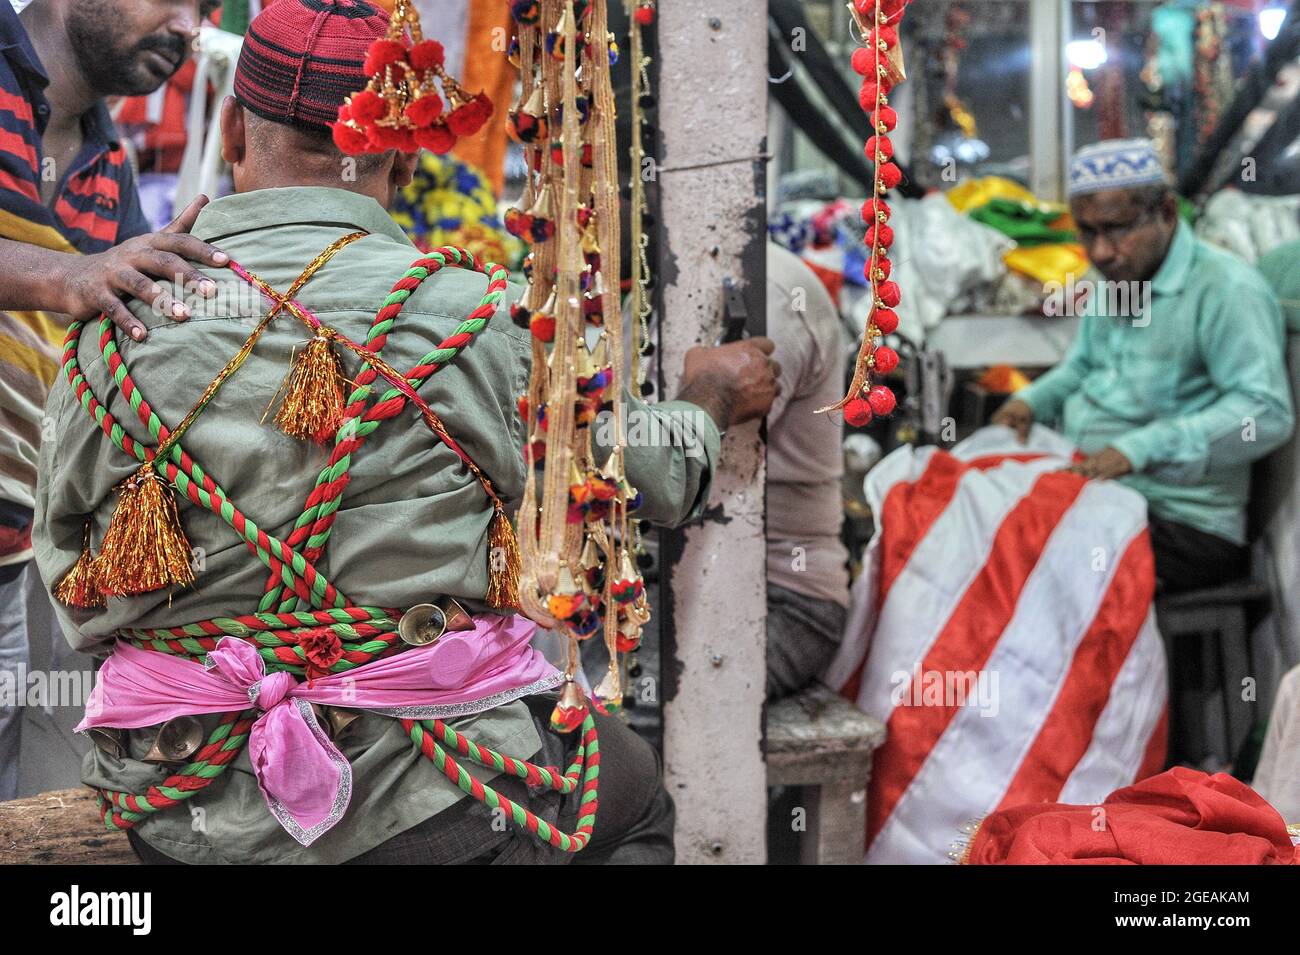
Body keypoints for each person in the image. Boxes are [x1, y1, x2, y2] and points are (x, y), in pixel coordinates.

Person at [33, 0, 778, 864]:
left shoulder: (111, 326)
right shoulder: (482, 317)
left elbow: (74, 589)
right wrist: (706, 398)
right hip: (431, 801)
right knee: (635, 786)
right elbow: (644, 477)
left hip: (183, 805)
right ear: (398, 150)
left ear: (232, 129)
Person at [0, 0, 227, 801]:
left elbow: (127, 345)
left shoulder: (110, 168)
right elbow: (78, 285)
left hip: (14, 548)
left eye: (205, 11)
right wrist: (67, 276)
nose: (190, 27)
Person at [992, 139, 1294, 594]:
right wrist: (1028, 402)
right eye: (1087, 231)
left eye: (1116, 229)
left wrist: (1142, 448)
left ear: (1167, 213)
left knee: (1019, 570)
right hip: (1107, 493)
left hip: (1184, 523)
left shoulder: (1226, 289)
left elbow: (1266, 413)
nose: (1101, 252)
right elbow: (1084, 366)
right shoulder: (1118, 281)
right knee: (968, 517)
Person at [764, 242, 850, 700]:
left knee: (621, 723)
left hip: (785, 598)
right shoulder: (655, 278)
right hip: (696, 580)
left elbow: (682, 475)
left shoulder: (772, 296)